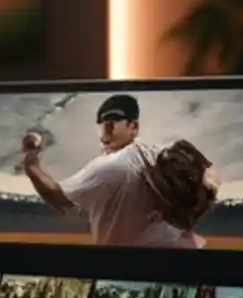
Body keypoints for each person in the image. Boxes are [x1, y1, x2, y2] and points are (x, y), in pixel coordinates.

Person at [20, 94, 220, 248]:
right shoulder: (157, 152)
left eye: (113, 123)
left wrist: (31, 165)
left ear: (134, 127)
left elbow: (57, 196)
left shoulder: (109, 167)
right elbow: (212, 176)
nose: (106, 130)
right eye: (103, 124)